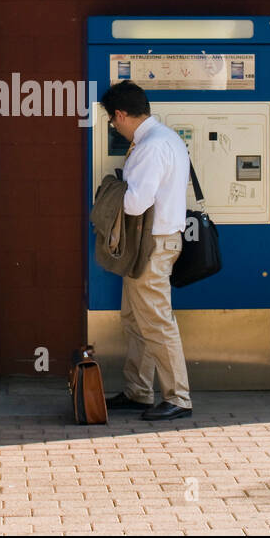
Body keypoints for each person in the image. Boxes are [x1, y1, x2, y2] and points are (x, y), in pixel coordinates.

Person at [100, 80, 193, 421]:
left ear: (121, 115)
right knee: (136, 319)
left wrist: (110, 193)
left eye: (113, 120)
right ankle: (138, 391)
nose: (114, 126)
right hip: (151, 243)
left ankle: (178, 398)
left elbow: (137, 202)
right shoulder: (164, 138)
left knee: (155, 322)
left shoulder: (151, 147)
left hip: (151, 245)